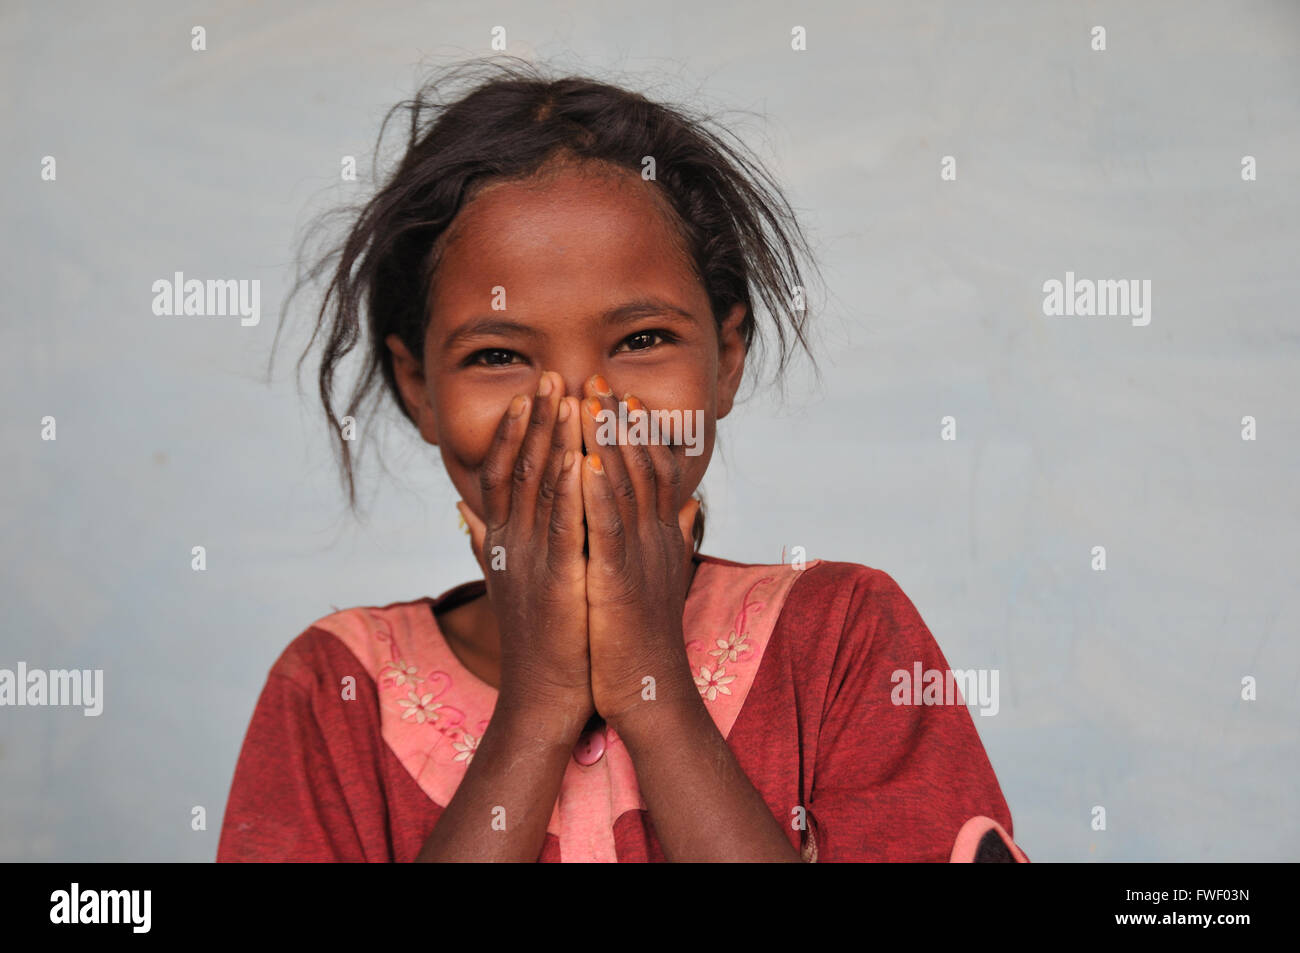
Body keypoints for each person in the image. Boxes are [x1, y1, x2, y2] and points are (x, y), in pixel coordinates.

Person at [217, 57, 1026, 863]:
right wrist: (539, 705)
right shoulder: (334, 695)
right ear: (418, 387)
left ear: (728, 358)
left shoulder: (842, 638)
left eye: (642, 340)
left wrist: (653, 686)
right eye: (498, 355)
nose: (576, 409)